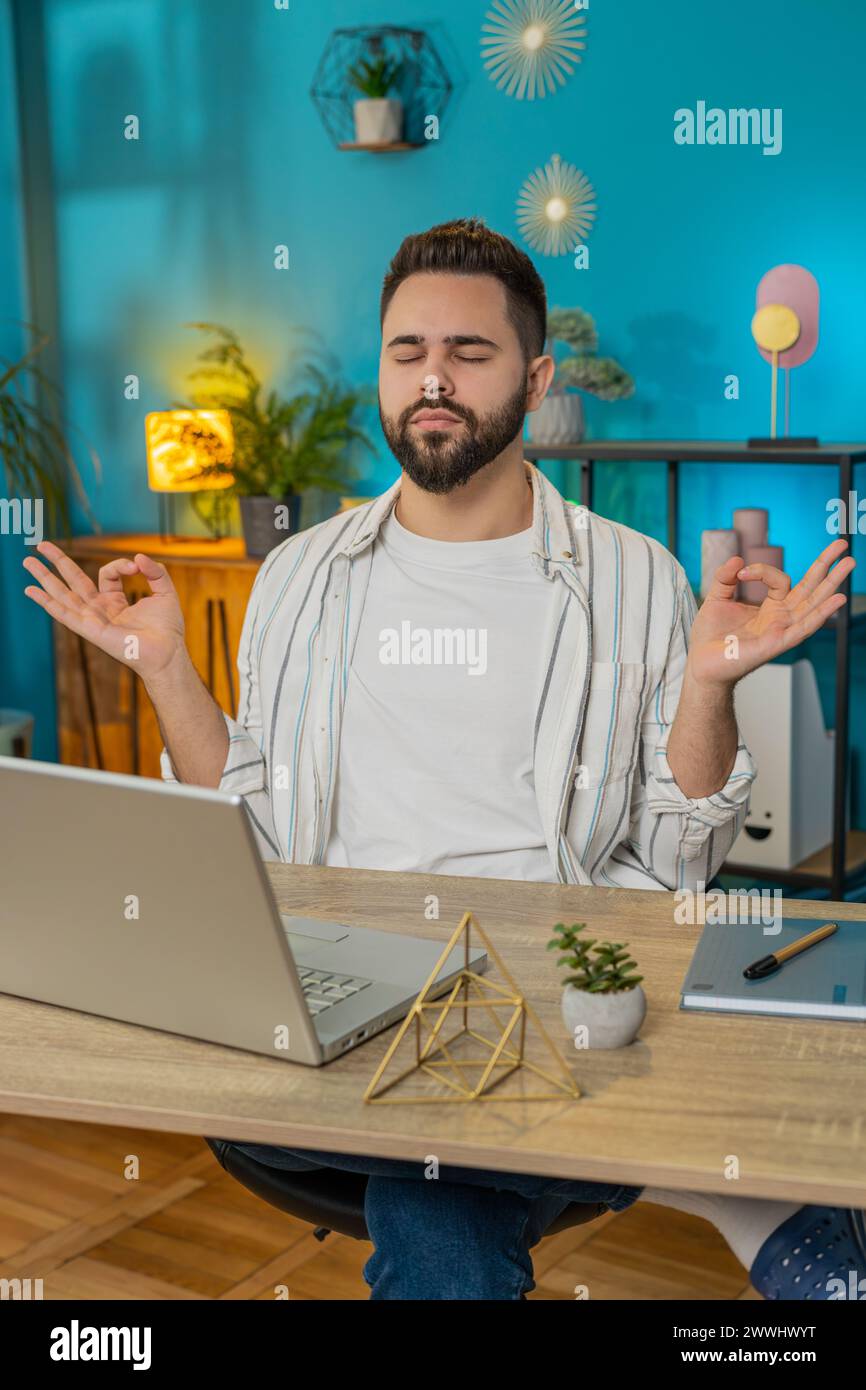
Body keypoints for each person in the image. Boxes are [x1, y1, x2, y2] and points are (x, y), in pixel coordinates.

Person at [24, 217, 863, 1301]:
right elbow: (254, 832)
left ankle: (733, 1195)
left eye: (468, 353)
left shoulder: (636, 579)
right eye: (406, 351)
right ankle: (753, 1204)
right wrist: (167, 673)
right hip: (328, 997)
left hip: (545, 996)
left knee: (439, 1189)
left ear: (534, 373)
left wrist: (709, 688)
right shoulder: (300, 577)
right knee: (442, 1151)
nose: (433, 379)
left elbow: (673, 874)